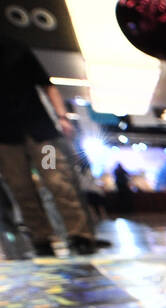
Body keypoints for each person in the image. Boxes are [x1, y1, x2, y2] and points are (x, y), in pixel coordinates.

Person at [0, 33, 99, 255]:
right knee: (20, 189)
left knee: (57, 181)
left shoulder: (16, 47)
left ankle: (79, 235)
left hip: (39, 133)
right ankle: (41, 238)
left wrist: (62, 116)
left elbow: (48, 85)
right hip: (6, 140)